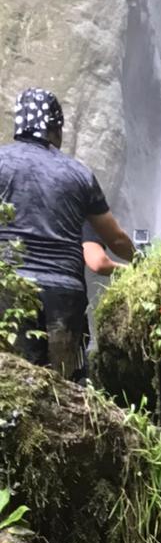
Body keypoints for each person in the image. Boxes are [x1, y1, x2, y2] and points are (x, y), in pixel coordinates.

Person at [0, 88, 135, 379]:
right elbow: (116, 240)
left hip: (8, 286)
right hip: (64, 294)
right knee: (67, 384)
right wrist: (140, 262)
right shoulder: (79, 174)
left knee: (11, 379)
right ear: (54, 129)